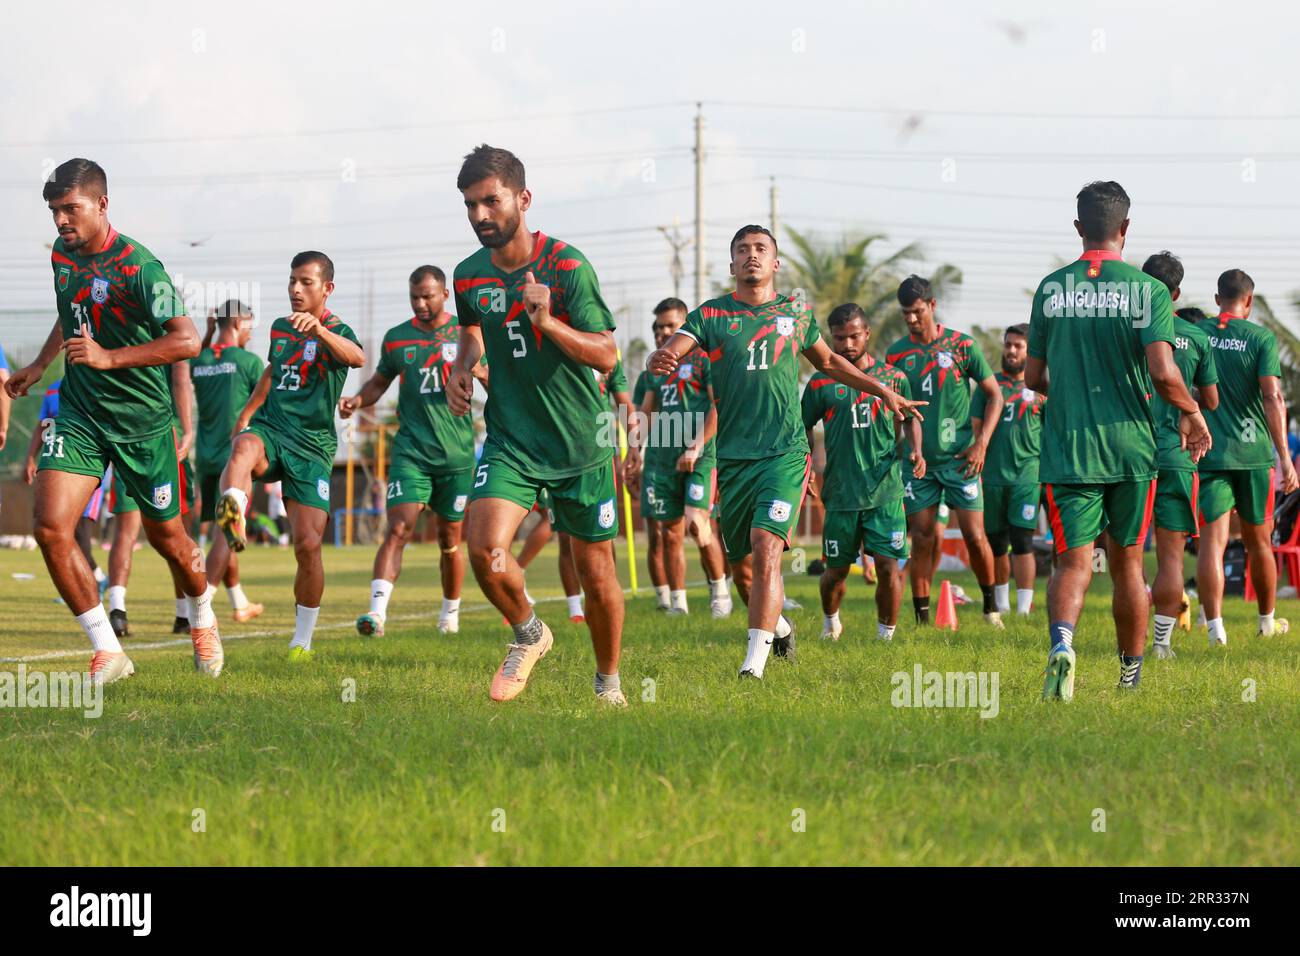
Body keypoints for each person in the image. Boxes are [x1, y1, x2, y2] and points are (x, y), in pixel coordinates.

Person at [648, 224, 924, 679]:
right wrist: (666, 356)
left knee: (766, 547)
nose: (751, 255)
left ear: (775, 263)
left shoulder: (795, 314)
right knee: (742, 567)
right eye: (742, 250)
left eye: (760, 249)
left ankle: (752, 667)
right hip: (734, 459)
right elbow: (679, 345)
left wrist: (883, 392)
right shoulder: (711, 315)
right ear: (732, 264)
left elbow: (831, 363)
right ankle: (779, 628)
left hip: (785, 453)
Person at [4, 157, 223, 684]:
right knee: (51, 528)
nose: (60, 220)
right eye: (54, 211)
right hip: (80, 414)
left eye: (70, 209)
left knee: (168, 537)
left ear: (102, 205)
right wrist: (39, 364)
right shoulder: (64, 253)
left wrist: (108, 358)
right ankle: (108, 649)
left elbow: (187, 340)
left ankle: (204, 613)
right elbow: (71, 308)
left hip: (143, 422)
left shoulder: (139, 267)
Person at [447, 145, 627, 705]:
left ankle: (608, 684)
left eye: (491, 201)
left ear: (523, 199)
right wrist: (460, 364)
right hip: (511, 440)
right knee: (482, 548)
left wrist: (547, 321)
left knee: (596, 576)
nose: (480, 215)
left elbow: (606, 355)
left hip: (580, 441)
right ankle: (530, 632)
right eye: (471, 205)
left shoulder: (567, 266)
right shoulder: (468, 275)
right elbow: (473, 328)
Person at [1027, 180, 1211, 699]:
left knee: (1072, 562)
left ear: (1079, 227)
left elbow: (1031, 378)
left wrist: (1066, 386)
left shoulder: (1051, 288)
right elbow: (1163, 372)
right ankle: (1129, 679)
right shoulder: (1148, 290)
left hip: (1068, 448)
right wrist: (1193, 413)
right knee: (1129, 561)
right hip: (1131, 449)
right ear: (1125, 229)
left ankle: (1063, 645)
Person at [209, 251, 365, 662]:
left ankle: (302, 640)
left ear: (326, 288)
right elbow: (271, 371)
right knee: (244, 445)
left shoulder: (338, 329)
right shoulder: (280, 329)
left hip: (312, 448)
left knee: (308, 546)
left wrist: (320, 332)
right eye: (292, 280)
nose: (296, 289)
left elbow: (357, 357)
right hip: (274, 430)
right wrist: (246, 414)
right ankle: (234, 509)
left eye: (306, 282)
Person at [344, 265, 485, 637]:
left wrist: (483, 373)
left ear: (444, 295)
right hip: (411, 454)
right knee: (398, 529)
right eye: (414, 297)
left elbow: (492, 374)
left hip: (456, 457)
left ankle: (449, 614)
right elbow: (379, 381)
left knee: (449, 540)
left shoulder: (467, 334)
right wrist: (358, 400)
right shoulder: (397, 338)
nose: (421, 303)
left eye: (428, 296)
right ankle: (376, 615)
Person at [885, 276, 1004, 628]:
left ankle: (990, 607)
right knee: (921, 538)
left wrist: (981, 443)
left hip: (960, 461)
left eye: (917, 311)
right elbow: (897, 411)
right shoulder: (896, 354)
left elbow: (994, 395)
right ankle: (923, 620)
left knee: (975, 536)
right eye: (906, 313)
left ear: (932, 306)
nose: (911, 319)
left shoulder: (962, 346)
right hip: (919, 464)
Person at [802, 303, 924, 642]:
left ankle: (885, 638)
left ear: (867, 333)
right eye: (839, 338)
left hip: (885, 490)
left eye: (854, 336)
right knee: (836, 572)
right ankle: (830, 622)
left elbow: (912, 418)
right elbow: (803, 426)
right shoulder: (819, 383)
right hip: (841, 493)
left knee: (888, 566)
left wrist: (916, 450)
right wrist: (808, 464)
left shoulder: (894, 378)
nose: (847, 344)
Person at [1194, 269, 1297, 643]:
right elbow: (1272, 397)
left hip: (1209, 452)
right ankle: (1266, 622)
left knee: (1212, 543)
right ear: (1249, 301)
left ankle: (1215, 631)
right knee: (1259, 543)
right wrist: (1285, 458)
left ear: (1217, 297)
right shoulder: (1260, 337)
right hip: (1253, 455)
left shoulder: (1198, 333)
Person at [625, 298, 731, 618]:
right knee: (668, 532)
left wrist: (696, 446)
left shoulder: (706, 359)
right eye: (658, 327)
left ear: (685, 326)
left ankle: (719, 592)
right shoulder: (655, 368)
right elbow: (646, 412)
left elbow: (718, 406)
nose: (663, 333)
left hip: (700, 456)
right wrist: (633, 452)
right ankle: (679, 604)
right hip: (663, 459)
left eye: (670, 326)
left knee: (698, 526)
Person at [1140, 256, 1219, 659]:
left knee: (1127, 554)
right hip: (1177, 455)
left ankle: (1131, 639)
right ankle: (1160, 645)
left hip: (1128, 454)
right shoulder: (1196, 337)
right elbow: (1212, 400)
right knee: (1170, 556)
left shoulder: (1125, 330)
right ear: (1176, 294)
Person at [191, 299, 265, 623]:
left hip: (204, 457)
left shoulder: (199, 360)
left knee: (224, 528)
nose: (250, 333)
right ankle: (203, 603)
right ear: (238, 324)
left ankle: (240, 604)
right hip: (233, 458)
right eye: (249, 325)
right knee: (228, 528)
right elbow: (266, 405)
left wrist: (208, 334)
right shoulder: (249, 362)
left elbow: (202, 358)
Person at [970, 324, 1045, 617]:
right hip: (992, 477)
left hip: (1028, 476)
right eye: (1008, 345)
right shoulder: (990, 387)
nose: (1011, 351)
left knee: (1023, 541)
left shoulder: (1041, 389)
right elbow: (977, 429)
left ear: (1029, 351)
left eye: (1018, 346)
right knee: (997, 543)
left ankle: (1024, 610)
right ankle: (1000, 605)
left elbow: (1052, 432)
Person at [25, 379, 111, 595]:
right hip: (59, 466)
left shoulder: (97, 382)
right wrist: (30, 458)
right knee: (58, 531)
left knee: (80, 532)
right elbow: (44, 424)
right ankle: (90, 584)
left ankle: (93, 584)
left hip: (88, 468)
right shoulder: (53, 388)